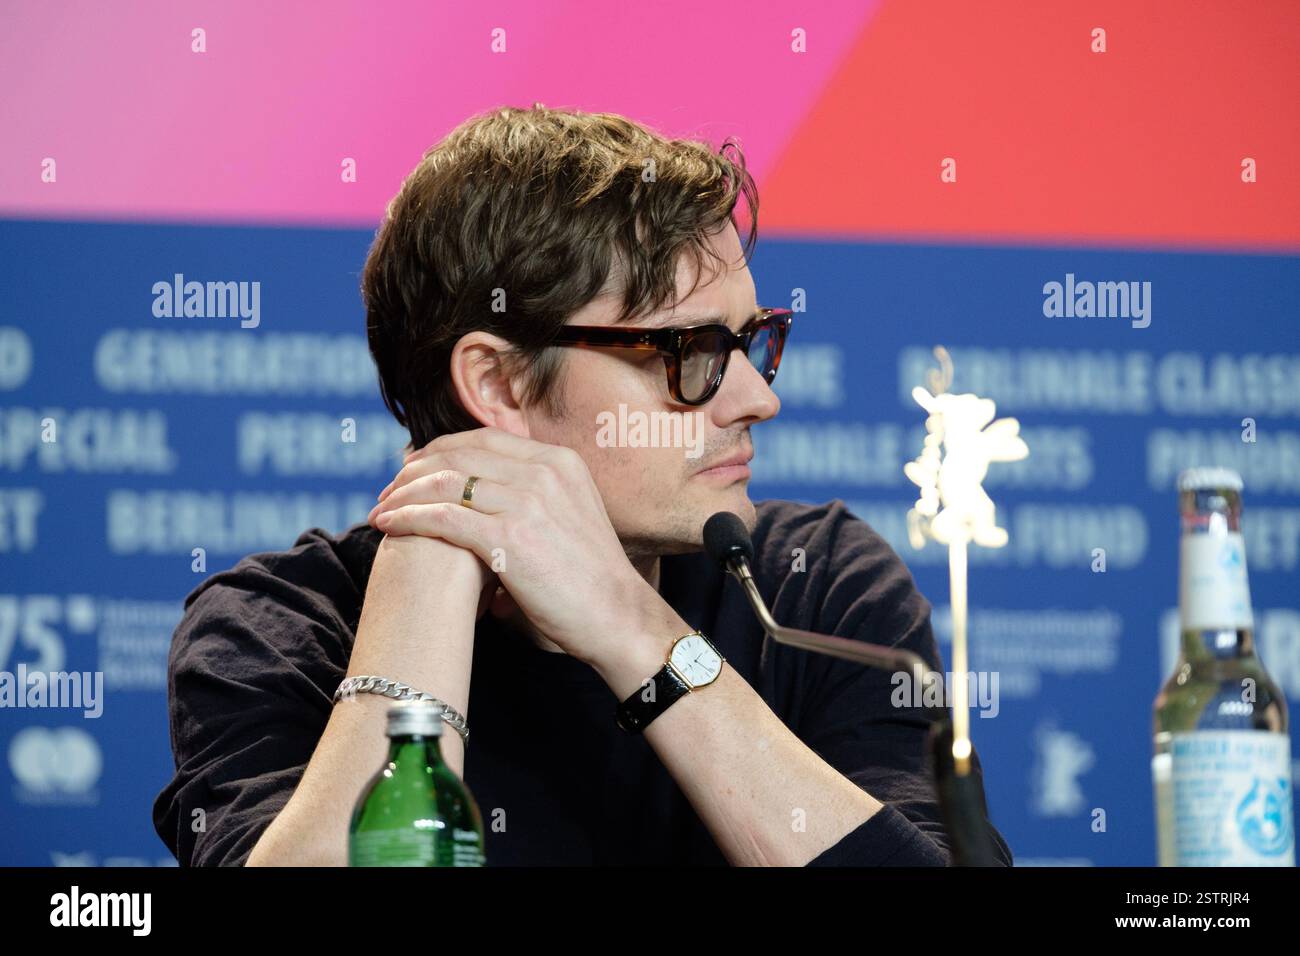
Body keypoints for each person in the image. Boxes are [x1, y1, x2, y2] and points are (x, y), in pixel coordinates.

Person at [152, 105, 1013, 867]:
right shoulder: (279, 630)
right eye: (693, 355)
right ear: (499, 387)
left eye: (752, 342)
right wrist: (433, 559)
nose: (760, 399)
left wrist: (633, 629)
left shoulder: (810, 583)